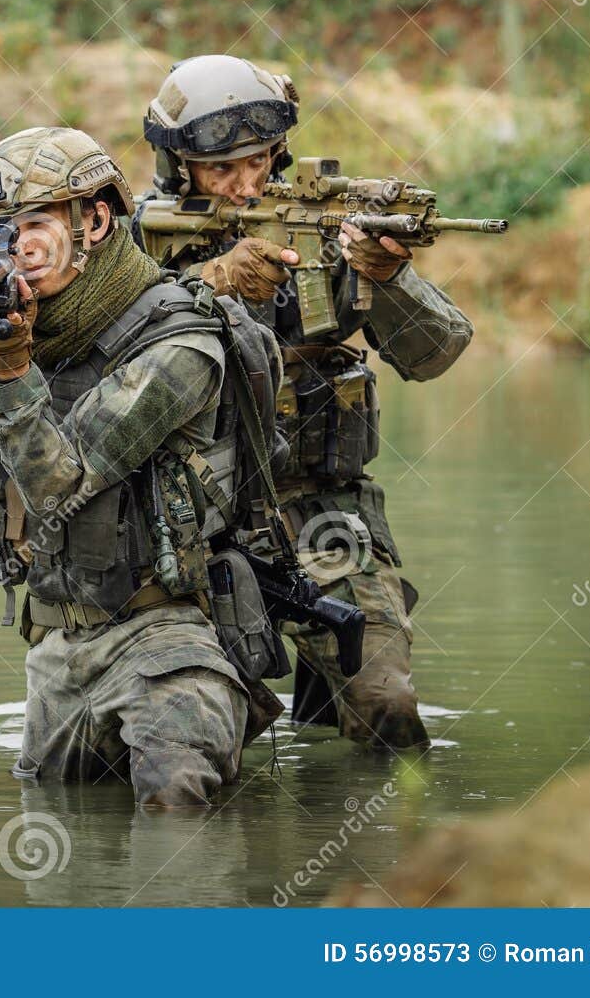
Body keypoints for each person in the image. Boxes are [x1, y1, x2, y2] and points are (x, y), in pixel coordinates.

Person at [0, 126, 280, 806]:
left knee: (174, 808)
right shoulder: (33, 326)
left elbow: (60, 487)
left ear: (93, 221)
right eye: (0, 234)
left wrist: (11, 374)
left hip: (166, 638)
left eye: (34, 225)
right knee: (61, 828)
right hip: (57, 649)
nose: (15, 249)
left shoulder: (179, 338)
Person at [141, 54, 475, 751]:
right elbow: (102, 352)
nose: (245, 184)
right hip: (188, 531)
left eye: (259, 161)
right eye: (221, 169)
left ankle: (370, 820)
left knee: (389, 714)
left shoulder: (327, 234)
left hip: (324, 517)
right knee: (191, 744)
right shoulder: (137, 250)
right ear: (180, 168)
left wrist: (387, 278)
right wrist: (211, 282)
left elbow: (437, 352)